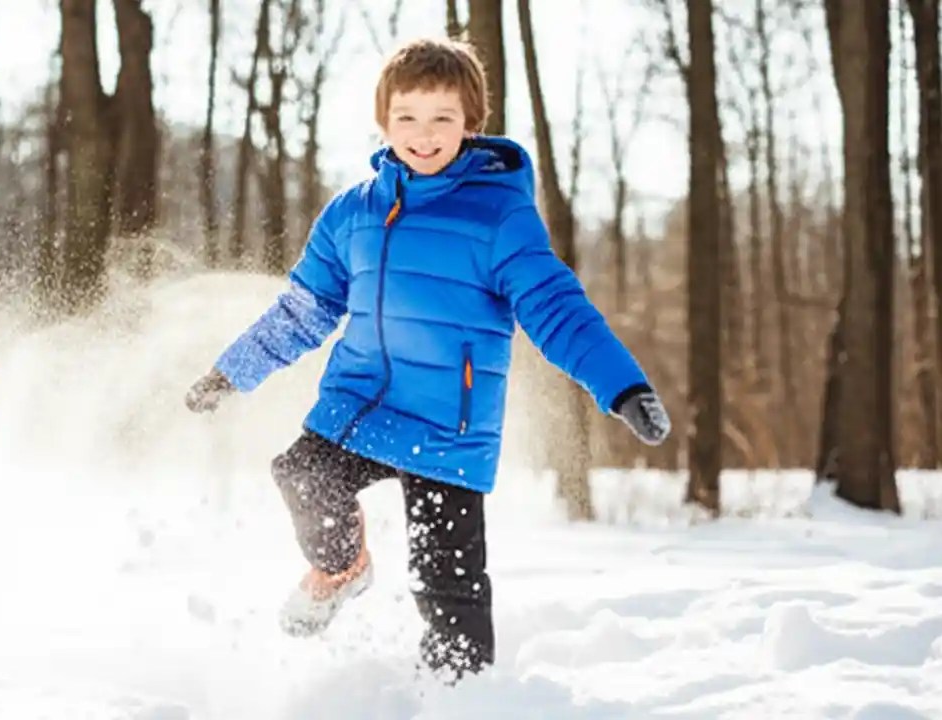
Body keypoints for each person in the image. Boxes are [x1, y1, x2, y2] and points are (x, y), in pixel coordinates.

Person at [184, 36, 670, 680]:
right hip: (357, 406)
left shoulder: (500, 216)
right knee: (303, 475)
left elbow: (555, 307)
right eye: (407, 117)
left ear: (472, 122)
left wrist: (622, 387)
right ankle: (341, 567)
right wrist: (230, 372)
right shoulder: (351, 214)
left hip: (449, 427)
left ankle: (460, 692)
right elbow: (302, 312)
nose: (424, 133)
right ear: (383, 122)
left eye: (443, 117)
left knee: (448, 583)